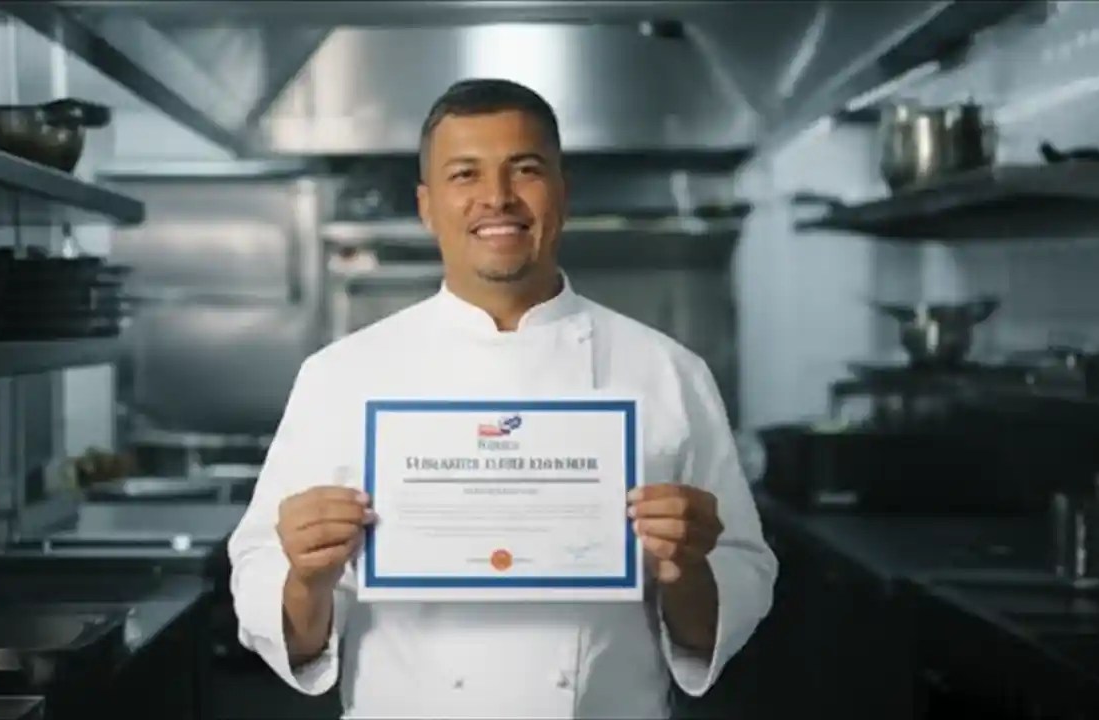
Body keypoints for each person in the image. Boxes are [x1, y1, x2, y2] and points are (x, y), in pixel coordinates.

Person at [227, 78, 778, 719]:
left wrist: (687, 571)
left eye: (526, 170)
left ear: (562, 192)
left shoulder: (668, 373)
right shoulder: (339, 378)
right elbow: (274, 605)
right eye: (465, 174)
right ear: (427, 206)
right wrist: (307, 578)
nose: (497, 197)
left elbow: (727, 608)